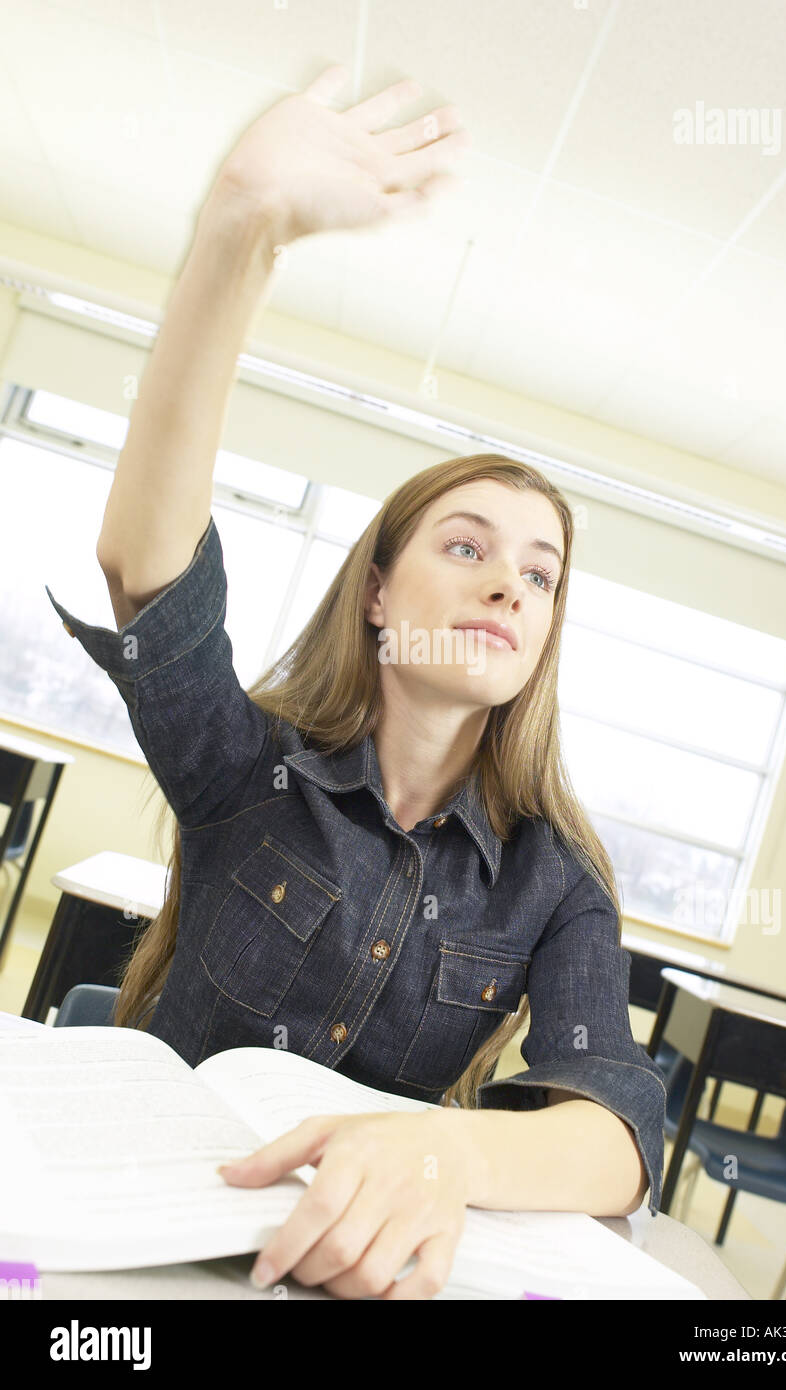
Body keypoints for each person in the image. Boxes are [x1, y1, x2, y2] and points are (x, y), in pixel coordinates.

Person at [45, 65, 667, 1300]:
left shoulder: (557, 878)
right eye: (467, 546)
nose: (508, 588)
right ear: (378, 591)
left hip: (345, 1270)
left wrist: (449, 1142)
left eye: (539, 577)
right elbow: (149, 564)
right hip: (136, 1247)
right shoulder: (247, 766)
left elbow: (618, 1132)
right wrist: (240, 231)